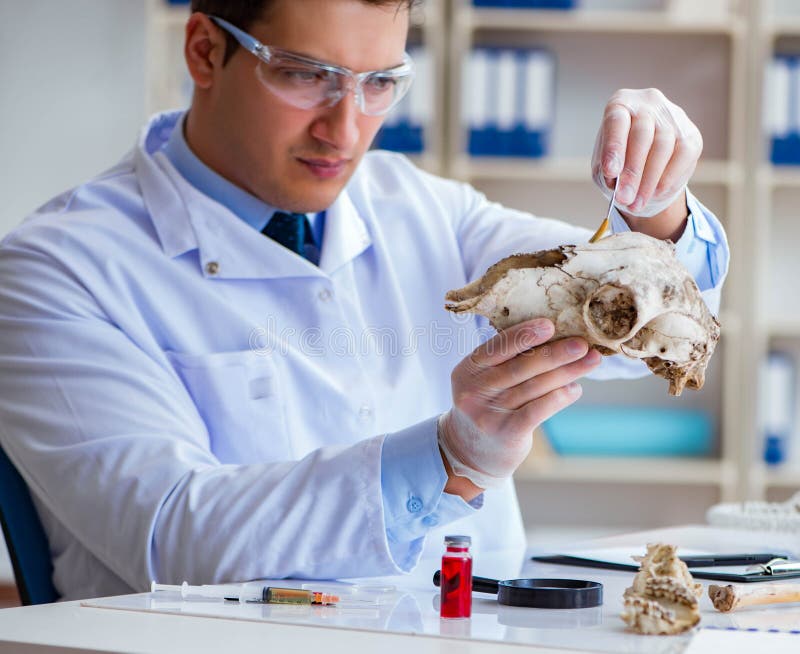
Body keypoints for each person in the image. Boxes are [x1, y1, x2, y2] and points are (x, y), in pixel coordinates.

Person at [0, 0, 728, 601]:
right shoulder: (57, 269)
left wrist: (656, 210)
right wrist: (448, 459)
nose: (344, 129)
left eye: (379, 83)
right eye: (304, 75)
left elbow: (630, 331)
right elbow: (167, 539)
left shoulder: (419, 206)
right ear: (203, 51)